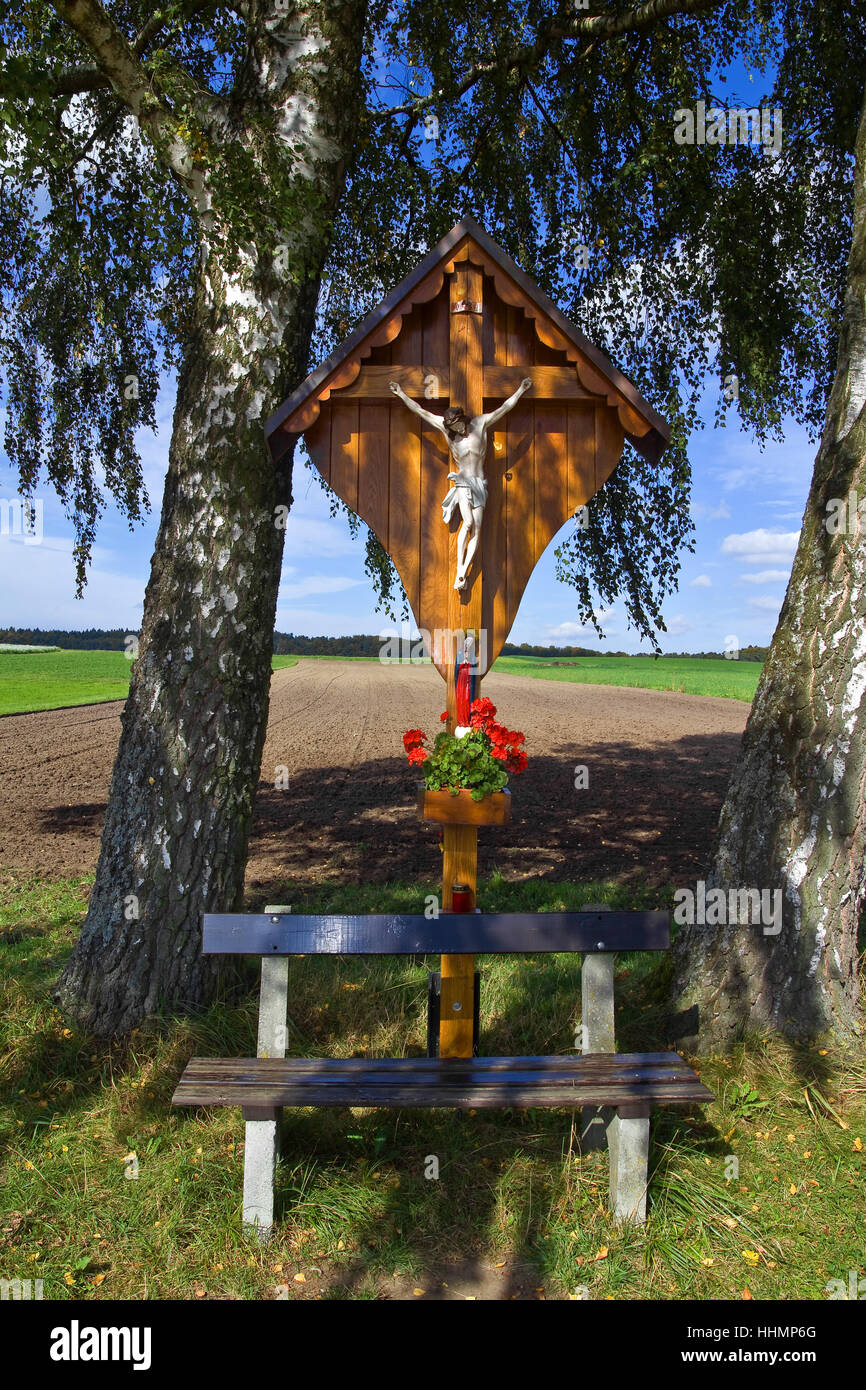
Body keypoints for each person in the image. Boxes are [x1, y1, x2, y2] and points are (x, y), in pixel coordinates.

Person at [389, 376, 532, 592]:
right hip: (463, 483)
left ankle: (464, 569)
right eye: (452, 427)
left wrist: (521, 389)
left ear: (462, 419)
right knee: (467, 523)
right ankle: (459, 570)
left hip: (479, 484)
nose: (456, 430)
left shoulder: (480, 424)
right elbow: (422, 412)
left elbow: (504, 409)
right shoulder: (449, 433)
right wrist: (401, 393)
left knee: (478, 528)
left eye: (457, 425)